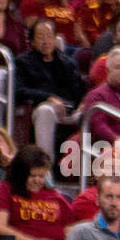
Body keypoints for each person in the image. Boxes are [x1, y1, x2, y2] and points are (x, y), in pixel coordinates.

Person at [14, 19, 87, 159]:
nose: (46, 41)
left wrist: (82, 105)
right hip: (39, 108)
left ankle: (83, 169)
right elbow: (19, 91)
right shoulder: (23, 62)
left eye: (49, 36)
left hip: (70, 109)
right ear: (32, 42)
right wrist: (49, 98)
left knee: (89, 114)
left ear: (55, 39)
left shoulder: (67, 62)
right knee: (45, 111)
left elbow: (80, 90)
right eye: (41, 37)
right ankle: (45, 165)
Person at [0, 146, 73, 240]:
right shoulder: (4, 190)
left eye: (41, 176)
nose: (37, 181)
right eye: (32, 176)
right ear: (20, 174)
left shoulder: (53, 195)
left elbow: (71, 227)